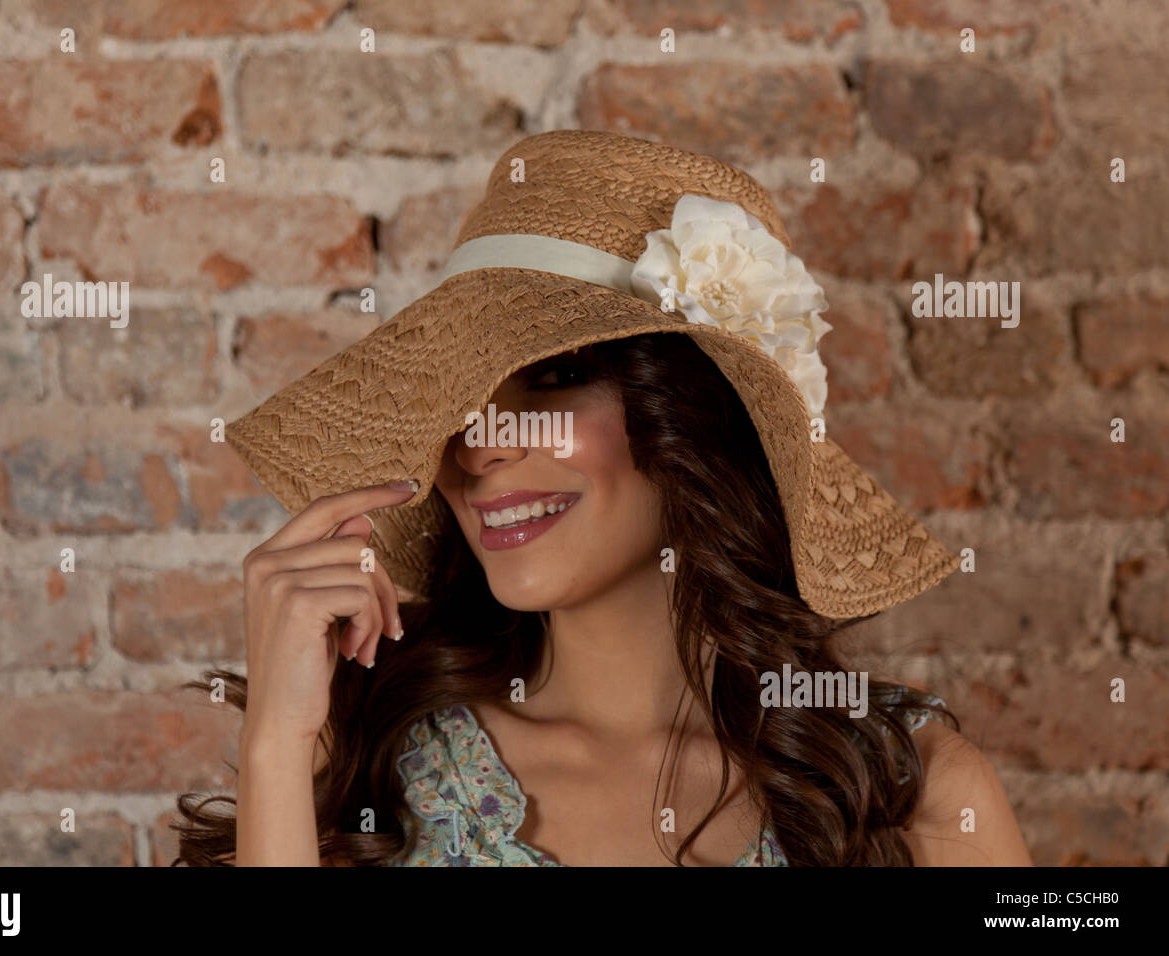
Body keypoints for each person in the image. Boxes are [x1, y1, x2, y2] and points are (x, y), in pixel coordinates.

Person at [174, 129, 1032, 867]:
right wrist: (276, 750)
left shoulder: (908, 788)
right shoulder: (363, 753)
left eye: (554, 379)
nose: (481, 446)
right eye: (460, 404)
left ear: (696, 416)